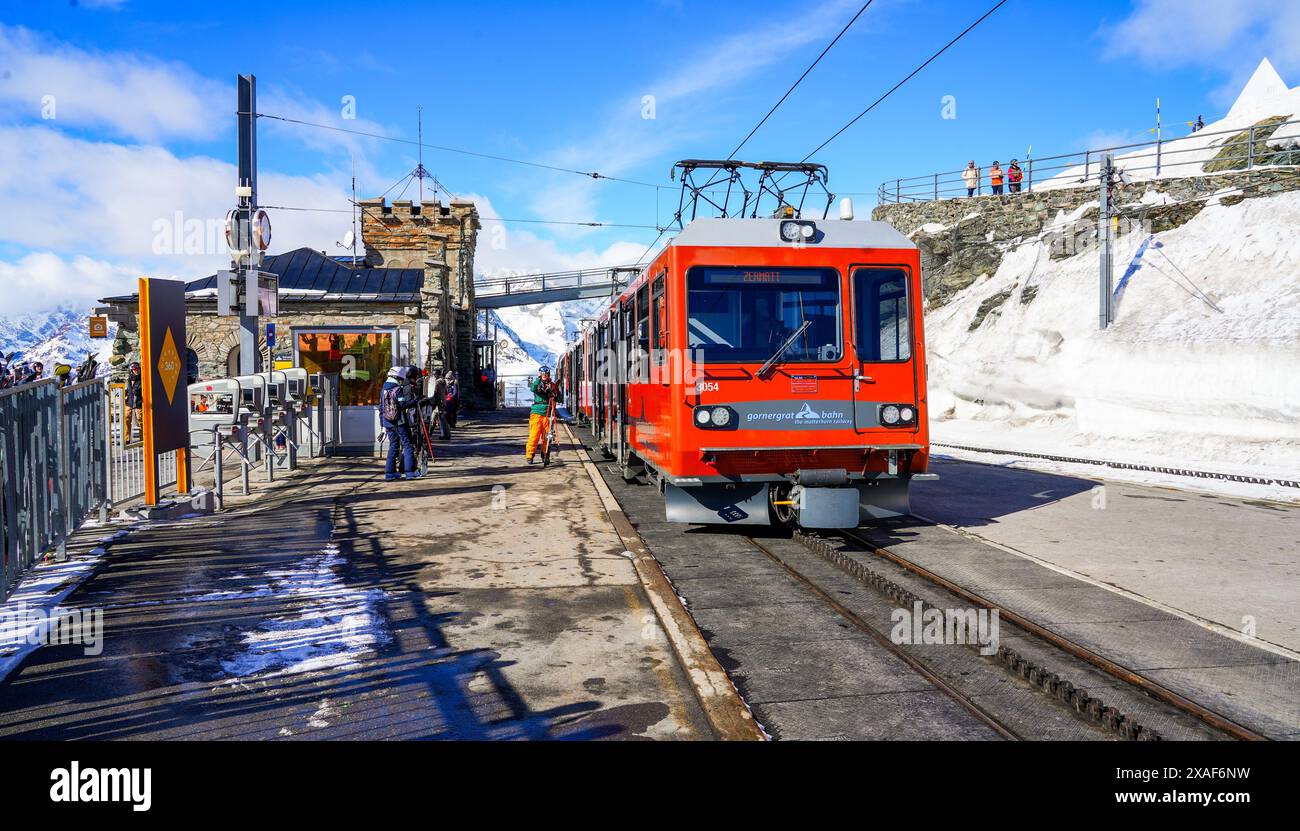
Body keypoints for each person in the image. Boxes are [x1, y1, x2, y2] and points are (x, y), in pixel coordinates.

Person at [380, 365, 421, 481]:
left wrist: (383, 426)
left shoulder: (383, 389)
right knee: (407, 445)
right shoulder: (398, 389)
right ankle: (409, 472)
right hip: (400, 421)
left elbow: (381, 408)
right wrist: (414, 401)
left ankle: (389, 473)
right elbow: (402, 405)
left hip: (387, 422)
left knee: (393, 446)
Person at [525, 366, 558, 465]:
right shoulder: (537, 383)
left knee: (547, 437)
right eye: (542, 374)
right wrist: (538, 380)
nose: (544, 376)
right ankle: (529, 456)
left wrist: (555, 394)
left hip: (548, 414)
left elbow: (559, 397)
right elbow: (533, 388)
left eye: (546, 374)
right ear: (540, 374)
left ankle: (545, 455)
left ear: (548, 374)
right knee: (534, 436)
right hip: (536, 414)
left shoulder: (552, 385)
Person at [123, 361, 143, 444]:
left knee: (140, 419)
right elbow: (128, 389)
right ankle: (127, 439)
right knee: (126, 418)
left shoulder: (143, 378)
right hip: (130, 402)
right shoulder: (129, 379)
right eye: (134, 369)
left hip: (139, 402)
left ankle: (143, 439)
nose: (136, 371)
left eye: (138, 369)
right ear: (131, 370)